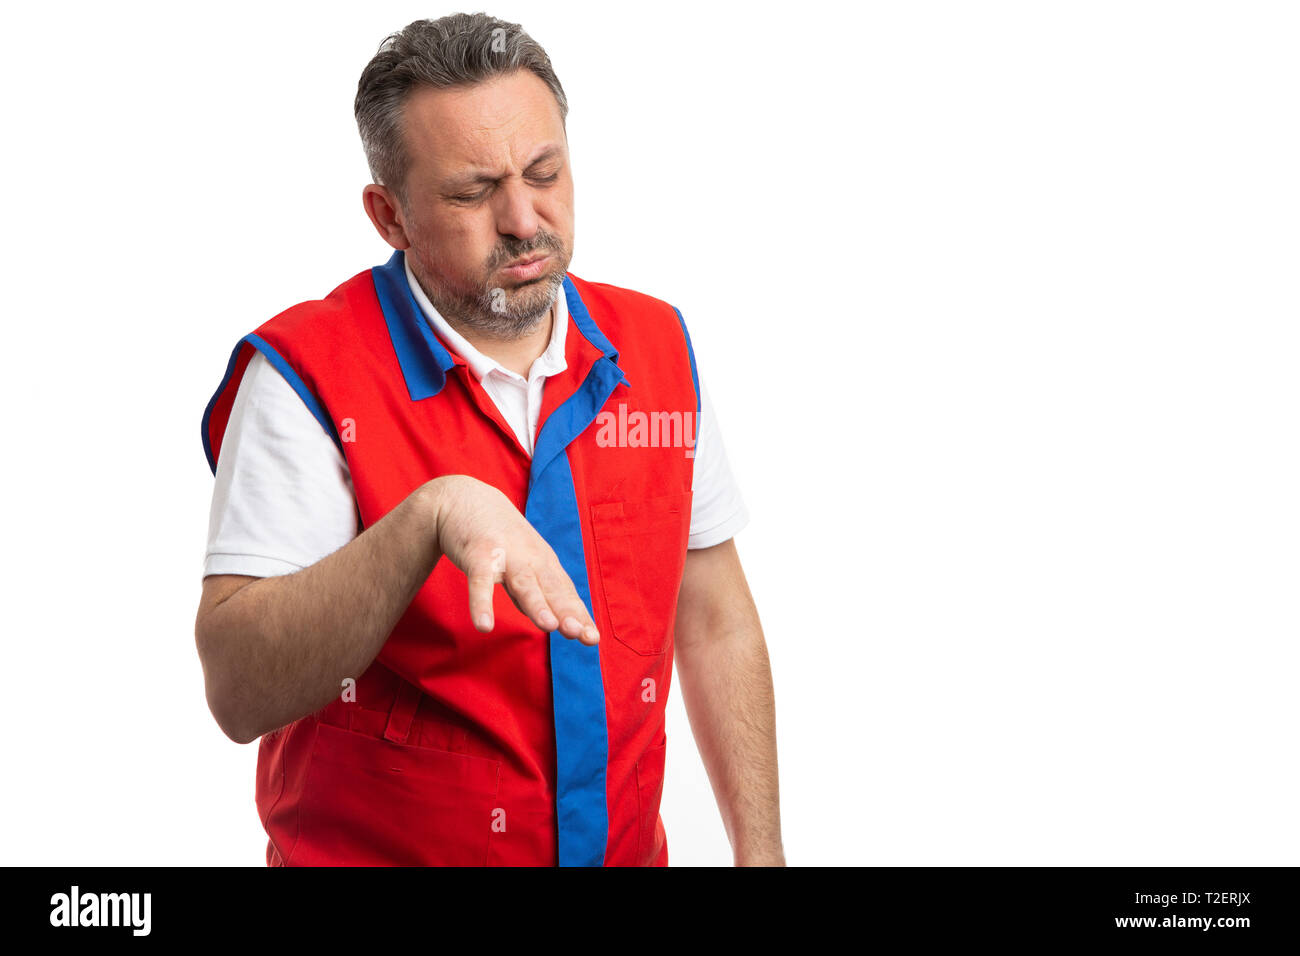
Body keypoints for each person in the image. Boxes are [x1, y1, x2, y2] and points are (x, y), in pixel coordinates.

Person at [195, 12, 783, 867]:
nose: (522, 219)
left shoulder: (656, 348)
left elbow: (716, 617)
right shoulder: (304, 379)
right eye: (472, 192)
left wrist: (761, 858)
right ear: (388, 215)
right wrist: (428, 518)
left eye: (544, 173)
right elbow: (239, 690)